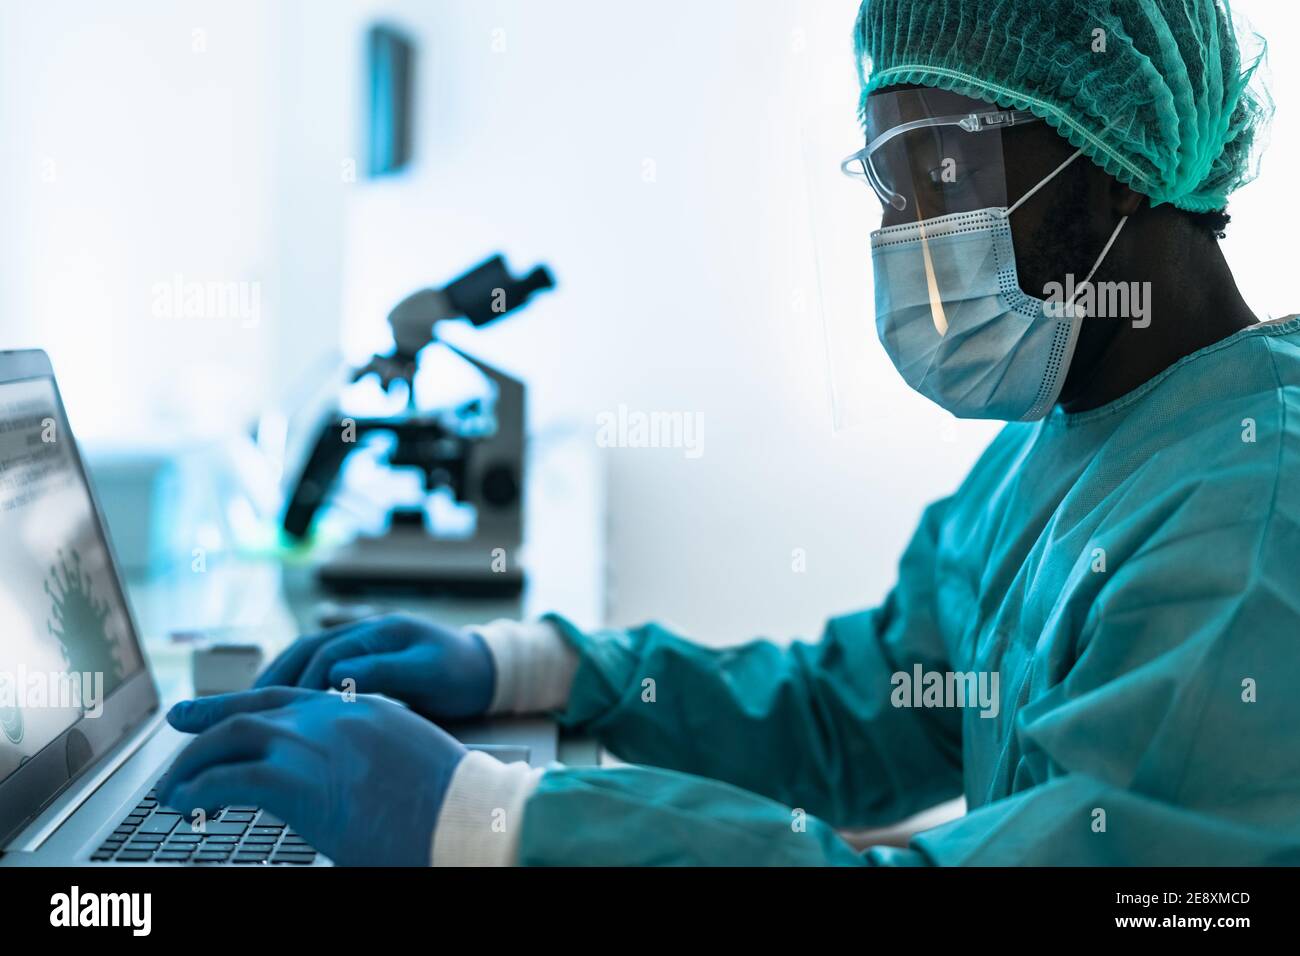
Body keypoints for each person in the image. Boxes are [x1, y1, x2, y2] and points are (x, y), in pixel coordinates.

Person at [159, 0, 1300, 865]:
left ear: (1110, 169)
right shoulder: (1071, 437)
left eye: (936, 176)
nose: (904, 237)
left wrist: (488, 818)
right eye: (886, 190)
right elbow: (849, 713)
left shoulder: (1246, 539)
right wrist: (539, 665)